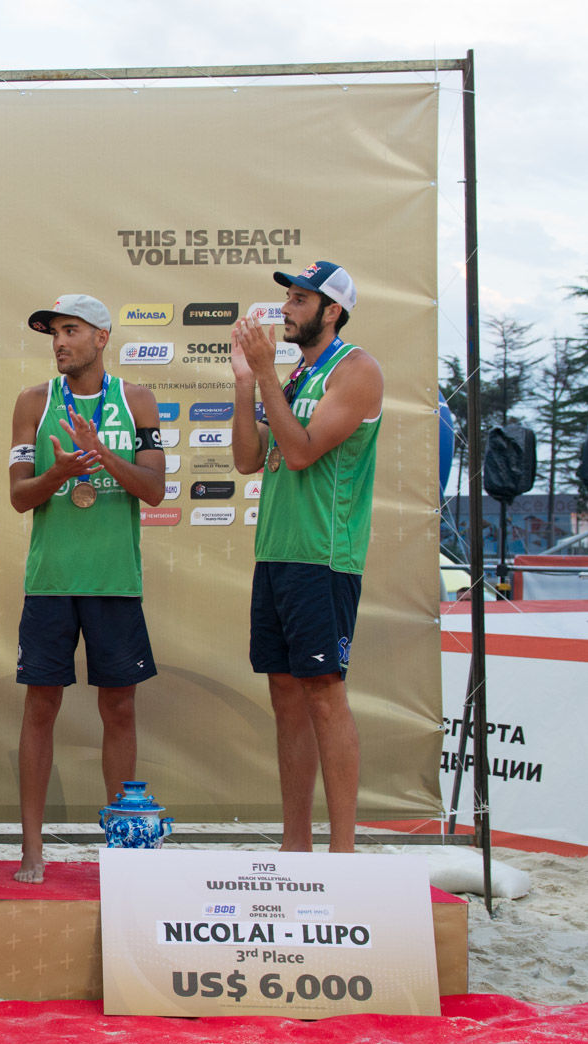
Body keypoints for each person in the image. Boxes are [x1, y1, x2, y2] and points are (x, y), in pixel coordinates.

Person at [8, 295, 166, 883]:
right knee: (40, 708)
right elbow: (19, 496)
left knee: (119, 709)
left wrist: (100, 455)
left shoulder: (137, 400)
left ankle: (122, 851)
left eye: (70, 330)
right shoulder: (33, 402)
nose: (59, 342)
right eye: (53, 332)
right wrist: (58, 473)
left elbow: (154, 490)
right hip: (51, 582)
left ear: (101, 337)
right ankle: (31, 848)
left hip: (114, 582)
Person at [230, 261, 384, 853]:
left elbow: (300, 453)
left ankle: (342, 852)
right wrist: (245, 382)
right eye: (288, 297)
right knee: (285, 697)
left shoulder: (357, 369)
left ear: (332, 311)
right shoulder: (295, 375)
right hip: (276, 551)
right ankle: (296, 845)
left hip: (323, 555)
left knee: (323, 692)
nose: (287, 309)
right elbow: (249, 459)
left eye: (300, 299)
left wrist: (267, 374)